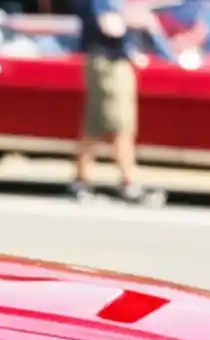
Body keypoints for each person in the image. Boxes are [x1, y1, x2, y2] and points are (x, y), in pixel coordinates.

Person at [69, 0, 160, 204]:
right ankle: (125, 182)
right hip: (106, 63)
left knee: (115, 124)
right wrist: (136, 18)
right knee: (113, 123)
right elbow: (110, 27)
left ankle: (84, 179)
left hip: (117, 61)